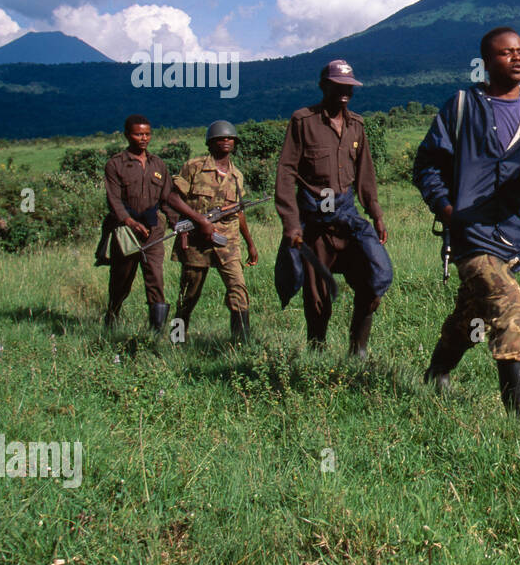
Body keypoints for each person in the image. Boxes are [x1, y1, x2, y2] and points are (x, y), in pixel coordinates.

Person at [413, 27, 520, 433]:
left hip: (512, 234)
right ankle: (519, 407)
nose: (517, 58)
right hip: (471, 234)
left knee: (470, 317)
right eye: (507, 53)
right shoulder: (461, 106)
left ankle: (435, 375)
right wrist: (446, 207)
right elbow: (427, 165)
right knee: (508, 306)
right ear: (486, 63)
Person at [275, 60, 390, 358]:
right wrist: (290, 223)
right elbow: (286, 172)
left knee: (374, 276)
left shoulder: (357, 125)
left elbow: (365, 174)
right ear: (324, 85)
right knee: (317, 297)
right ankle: (317, 352)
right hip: (314, 222)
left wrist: (376, 213)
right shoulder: (303, 121)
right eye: (338, 86)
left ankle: (358, 351)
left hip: (348, 217)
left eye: (349, 88)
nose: (344, 93)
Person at [100, 114, 218, 335]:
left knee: (155, 278)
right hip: (126, 231)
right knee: (121, 280)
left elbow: (167, 199)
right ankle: (112, 314)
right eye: (138, 134)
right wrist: (130, 222)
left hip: (154, 230)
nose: (143, 138)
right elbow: (113, 200)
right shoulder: (115, 164)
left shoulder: (158, 164)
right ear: (127, 135)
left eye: (147, 134)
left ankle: (155, 334)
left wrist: (178, 227)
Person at [172, 121, 260, 344]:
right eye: (221, 138)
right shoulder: (194, 167)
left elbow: (239, 212)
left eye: (230, 139)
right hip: (196, 241)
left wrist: (249, 243)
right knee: (187, 297)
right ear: (210, 143)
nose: (227, 142)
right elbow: (172, 198)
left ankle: (241, 344)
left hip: (227, 243)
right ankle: (176, 340)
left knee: (238, 289)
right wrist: (200, 220)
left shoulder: (236, 176)